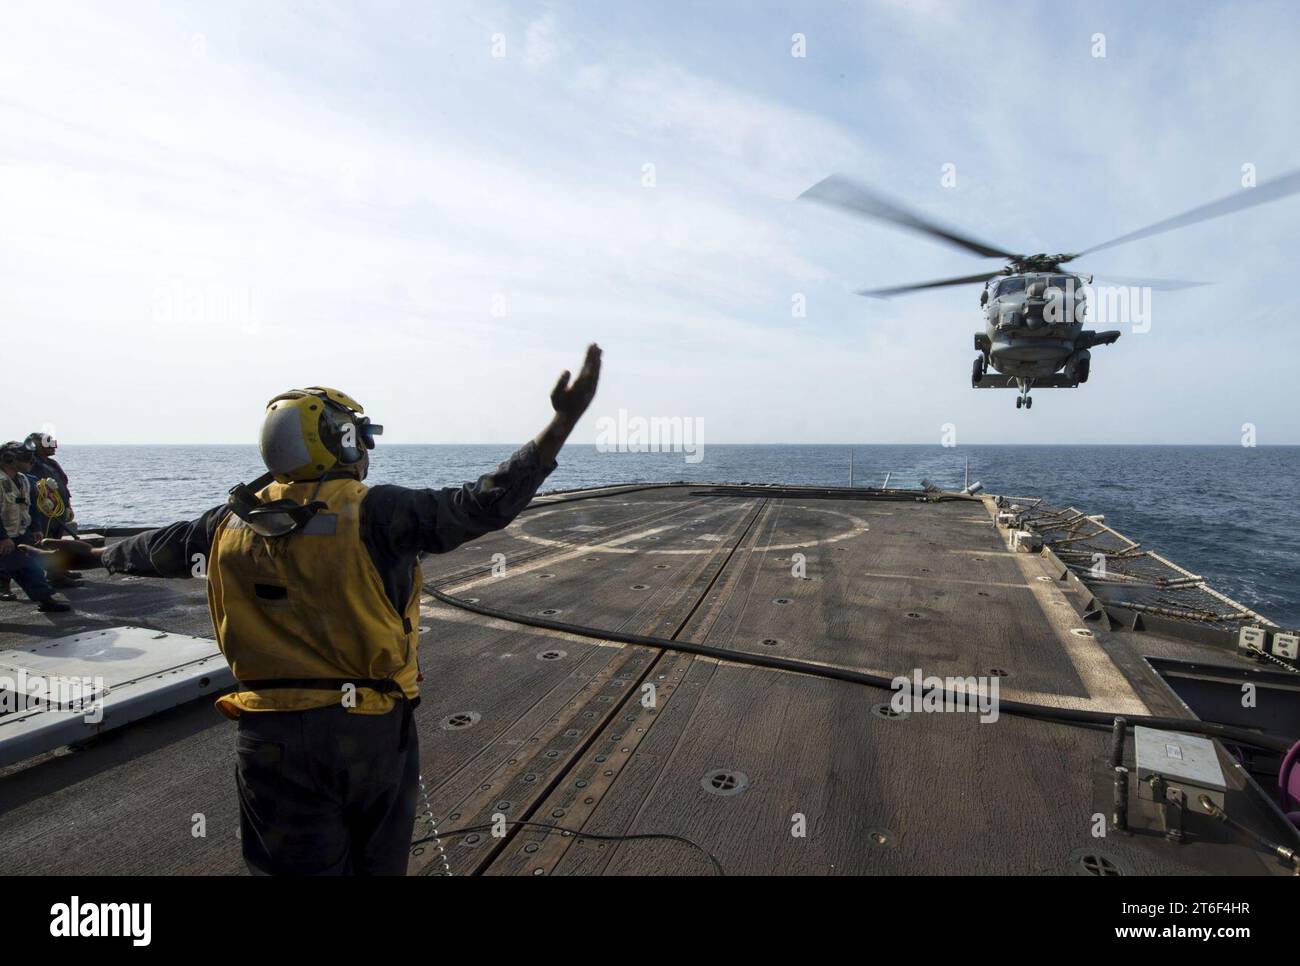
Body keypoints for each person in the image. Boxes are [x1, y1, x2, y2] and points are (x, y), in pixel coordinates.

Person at [58, 344, 601, 875]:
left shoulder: (223, 525)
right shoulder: (378, 512)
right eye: (360, 437)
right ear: (339, 441)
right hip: (366, 729)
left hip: (268, 734)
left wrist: (89, 555)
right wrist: (560, 426)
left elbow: (146, 551)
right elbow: (485, 503)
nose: (365, 449)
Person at [0, 441, 71, 612]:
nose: (31, 461)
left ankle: (45, 600)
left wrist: (36, 528)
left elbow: (31, 506)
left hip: (18, 534)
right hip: (4, 536)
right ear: (9, 458)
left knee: (31, 567)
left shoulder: (24, 480)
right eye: (25, 457)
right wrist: (2, 537)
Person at [25, 432, 76, 537]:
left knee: (56, 541)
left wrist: (68, 507)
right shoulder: (31, 465)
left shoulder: (52, 464)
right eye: (49, 443)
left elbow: (63, 487)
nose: (53, 446)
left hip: (58, 513)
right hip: (43, 513)